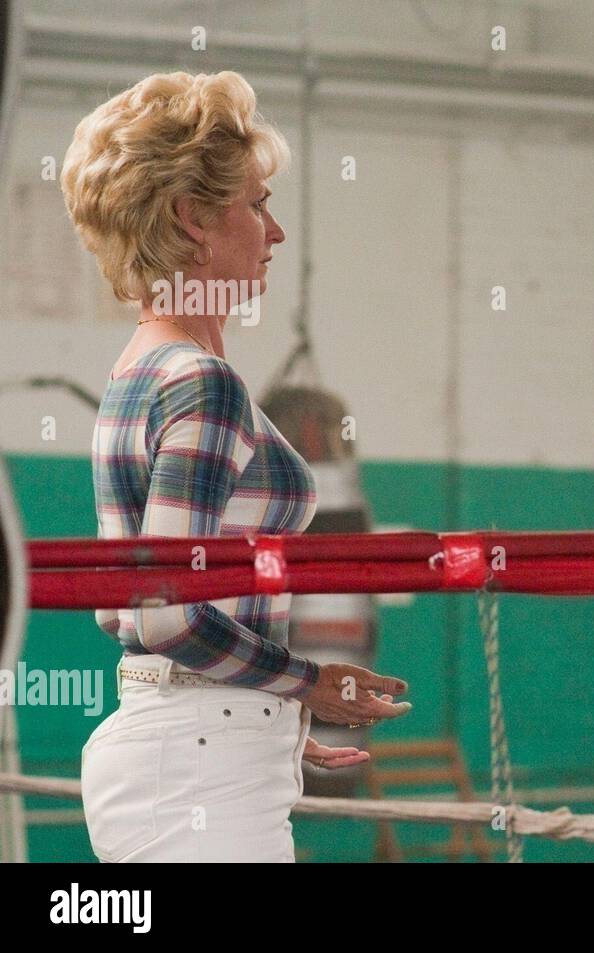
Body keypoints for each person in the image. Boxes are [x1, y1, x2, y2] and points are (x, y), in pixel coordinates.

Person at [61, 70, 412, 862]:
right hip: (194, 764)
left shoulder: (139, 369)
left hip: (193, 749)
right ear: (193, 218)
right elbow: (163, 614)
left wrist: (265, 714)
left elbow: (121, 608)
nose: (275, 231)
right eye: (257, 204)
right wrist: (305, 683)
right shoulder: (200, 383)